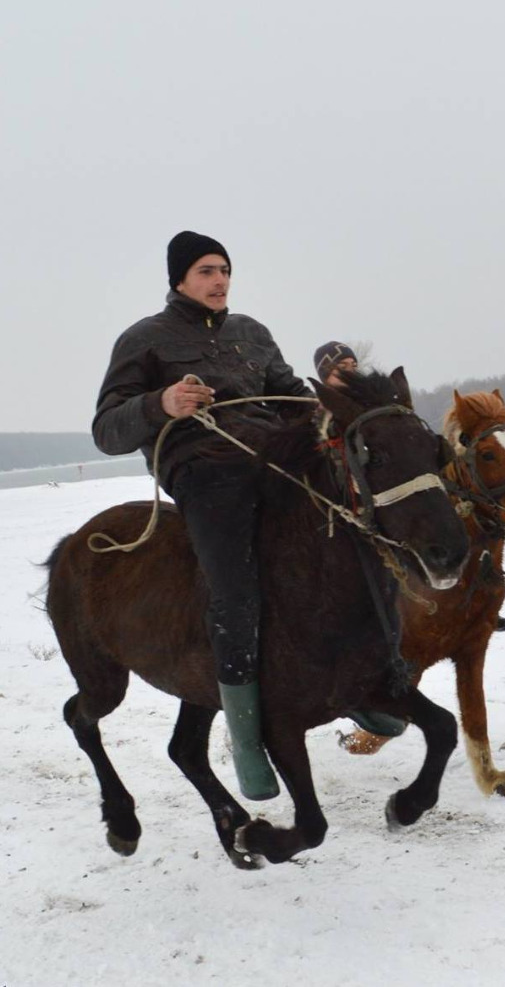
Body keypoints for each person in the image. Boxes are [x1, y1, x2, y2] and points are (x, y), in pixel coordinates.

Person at [93, 231, 309, 799]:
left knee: (351, 532)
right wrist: (159, 403)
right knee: (235, 592)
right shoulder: (144, 339)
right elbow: (106, 429)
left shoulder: (251, 333)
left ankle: (371, 681)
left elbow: (288, 395)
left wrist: (333, 400)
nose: (219, 281)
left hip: (275, 461)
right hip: (205, 470)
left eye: (225, 270)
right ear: (180, 280)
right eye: (207, 271)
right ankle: (245, 739)